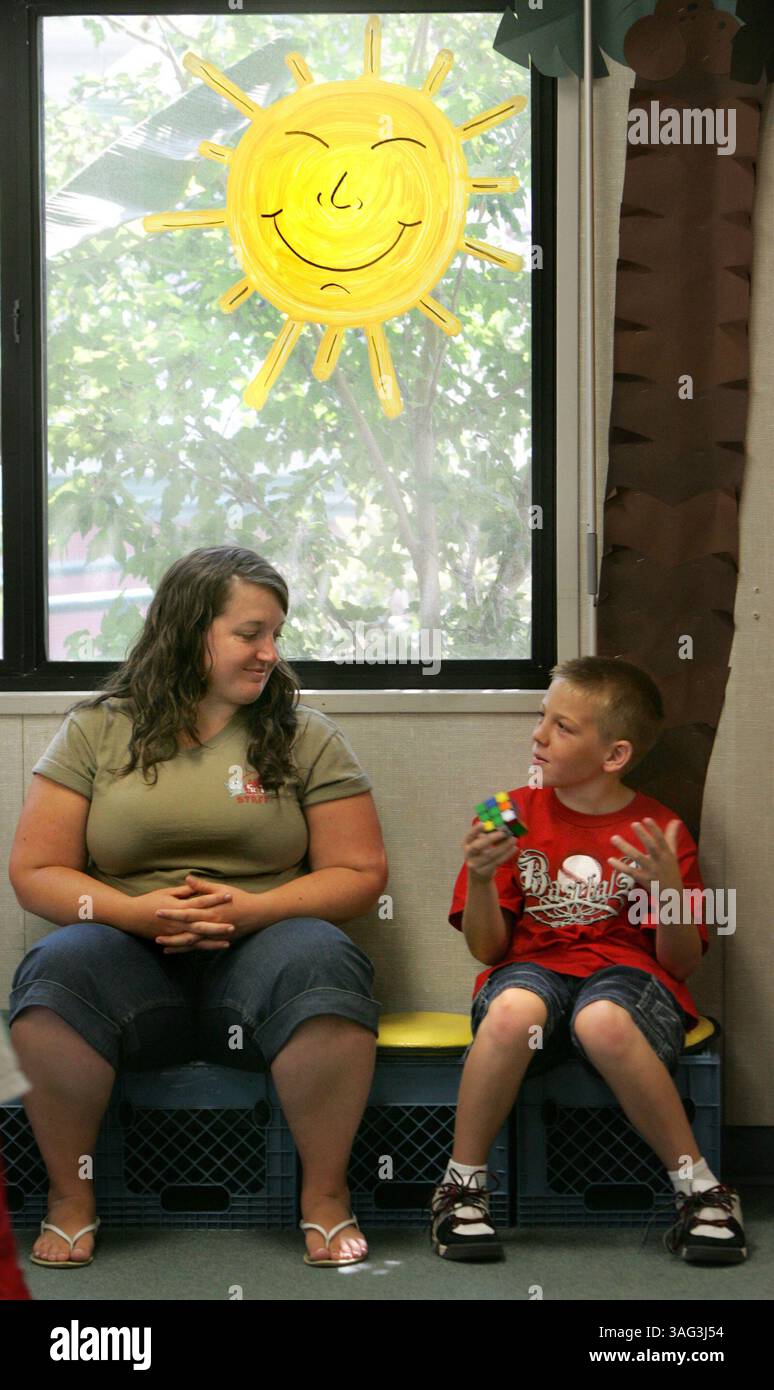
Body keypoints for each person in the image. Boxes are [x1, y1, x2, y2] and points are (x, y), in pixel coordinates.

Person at [7, 546, 388, 1270]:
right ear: (189, 629)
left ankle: (327, 1197)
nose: (269, 652)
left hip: (260, 962)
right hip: (126, 961)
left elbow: (361, 873)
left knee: (325, 960)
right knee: (52, 974)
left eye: (276, 634)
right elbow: (35, 871)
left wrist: (253, 909)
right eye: (250, 633)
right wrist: (133, 914)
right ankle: (70, 1198)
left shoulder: (305, 733)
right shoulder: (97, 728)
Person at [431, 655, 746, 1264]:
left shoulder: (659, 828)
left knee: (599, 1020)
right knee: (510, 1009)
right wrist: (478, 878)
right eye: (541, 717)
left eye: (563, 727)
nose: (538, 735)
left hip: (628, 981)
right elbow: (487, 949)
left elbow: (680, 966)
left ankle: (701, 1191)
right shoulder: (506, 812)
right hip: (534, 972)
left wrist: (669, 894)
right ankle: (462, 1187)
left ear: (615, 755)